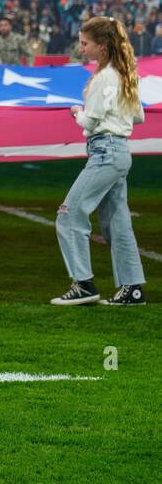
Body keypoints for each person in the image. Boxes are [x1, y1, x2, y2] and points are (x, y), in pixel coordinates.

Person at [50, 16, 147, 306]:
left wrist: (76, 111)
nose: (82, 49)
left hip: (104, 151)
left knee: (68, 215)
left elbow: (90, 124)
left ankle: (83, 284)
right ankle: (132, 288)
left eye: (85, 43)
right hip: (119, 152)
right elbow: (138, 116)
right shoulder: (123, 73)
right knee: (118, 223)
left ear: (101, 46)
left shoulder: (105, 77)